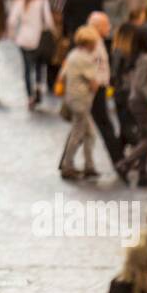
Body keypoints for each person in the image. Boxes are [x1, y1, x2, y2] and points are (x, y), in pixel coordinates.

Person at [116, 25, 147, 188]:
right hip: (141, 101)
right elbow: (140, 84)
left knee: (144, 137)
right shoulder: (145, 59)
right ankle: (125, 164)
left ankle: (143, 174)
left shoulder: (139, 57)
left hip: (137, 100)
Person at [58, 25, 99, 180]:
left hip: (72, 97)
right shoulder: (86, 59)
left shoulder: (73, 55)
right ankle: (68, 165)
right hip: (82, 100)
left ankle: (89, 165)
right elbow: (93, 83)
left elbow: (62, 76)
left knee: (90, 134)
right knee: (78, 133)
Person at [7, 0, 55, 109]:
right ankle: (38, 87)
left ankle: (30, 96)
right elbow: (49, 20)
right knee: (40, 66)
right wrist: (53, 31)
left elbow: (12, 21)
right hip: (39, 37)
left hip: (23, 38)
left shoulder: (19, 2)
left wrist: (12, 36)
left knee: (27, 68)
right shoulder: (42, 0)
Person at [88, 10, 122, 172]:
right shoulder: (92, 42)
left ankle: (119, 159)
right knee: (104, 125)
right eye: (106, 25)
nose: (109, 27)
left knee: (82, 127)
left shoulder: (98, 41)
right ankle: (119, 160)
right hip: (95, 89)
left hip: (99, 88)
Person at [111, 21, 138, 154]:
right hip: (130, 92)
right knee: (128, 125)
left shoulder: (118, 52)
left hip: (122, 92)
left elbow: (114, 74)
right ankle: (121, 158)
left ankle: (120, 158)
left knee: (125, 125)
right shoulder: (132, 53)